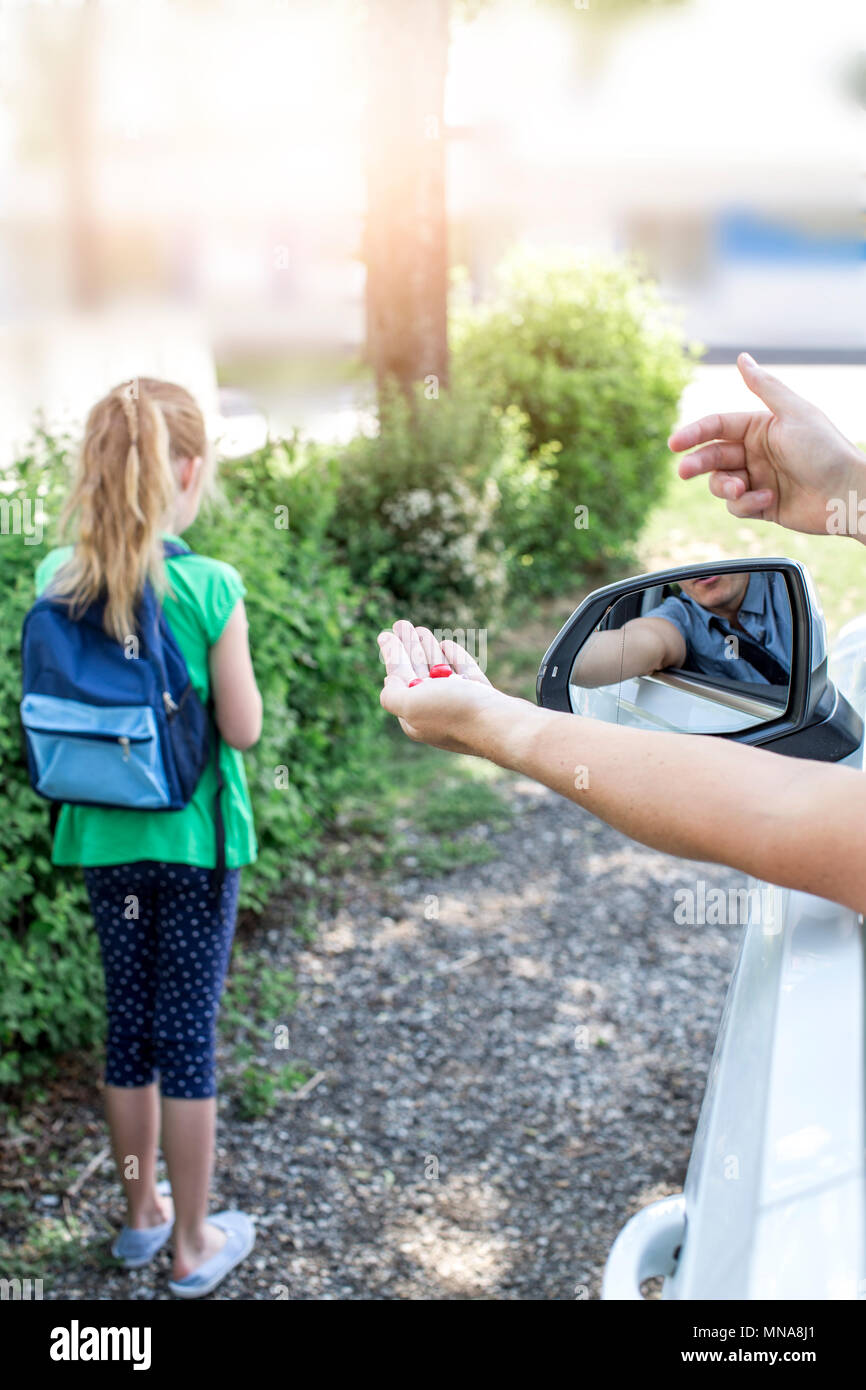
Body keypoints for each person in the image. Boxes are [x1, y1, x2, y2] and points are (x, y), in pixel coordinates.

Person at [377, 353, 866, 915]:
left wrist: (491, 721)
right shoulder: (680, 622)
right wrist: (848, 489)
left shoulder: (781, 594)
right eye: (691, 572)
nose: (704, 576)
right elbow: (623, 651)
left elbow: (780, 809)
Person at [33, 379, 262, 1297]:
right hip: (195, 845)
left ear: (92, 470)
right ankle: (195, 1242)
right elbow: (240, 731)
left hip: (102, 841)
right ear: (191, 471)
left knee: (127, 1029)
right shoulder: (208, 586)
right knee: (187, 1039)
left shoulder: (59, 577)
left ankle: (139, 1220)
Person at [570, 568, 792, 689]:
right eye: (684, 558)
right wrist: (566, 657)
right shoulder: (677, 616)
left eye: (708, 541)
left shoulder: (785, 583)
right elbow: (642, 642)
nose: (700, 566)